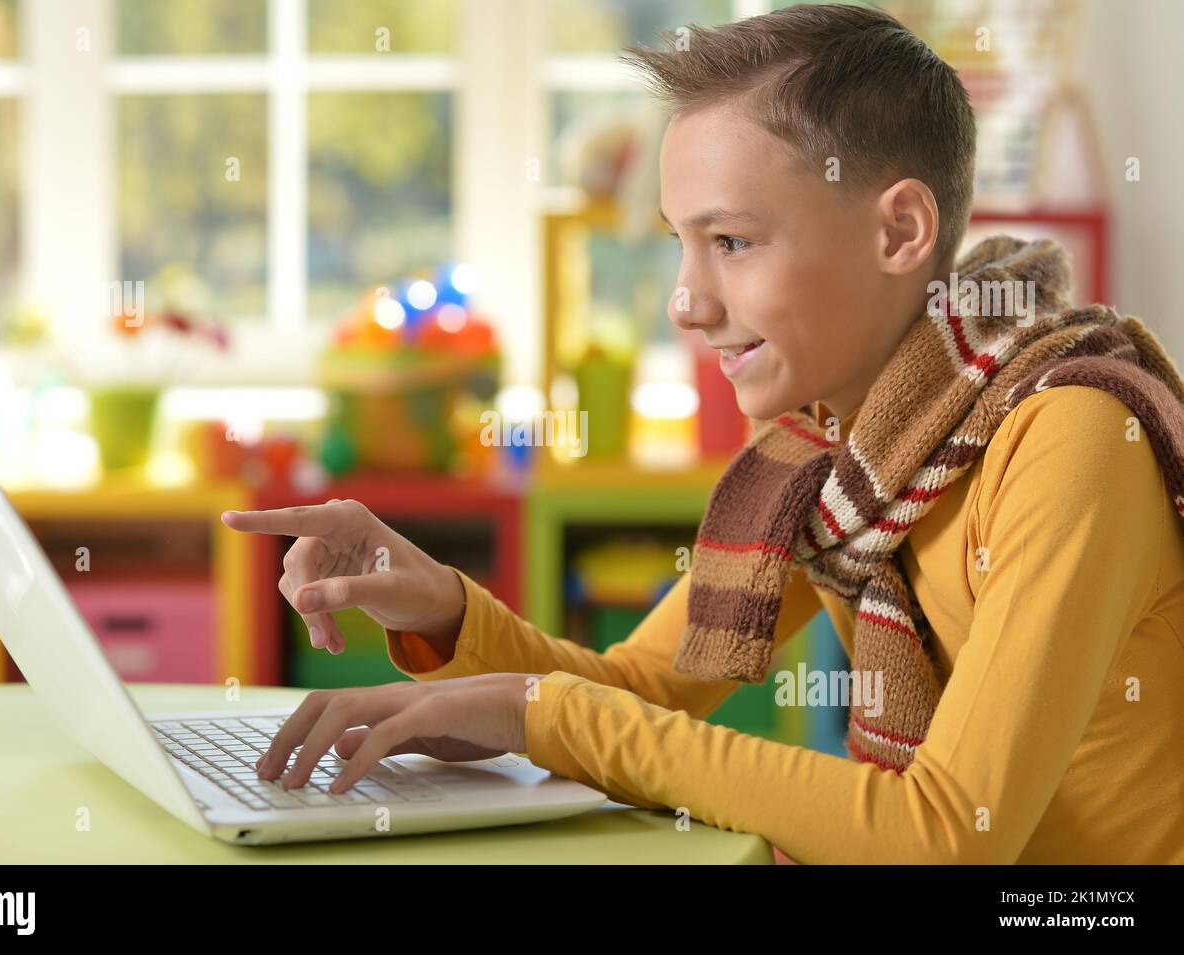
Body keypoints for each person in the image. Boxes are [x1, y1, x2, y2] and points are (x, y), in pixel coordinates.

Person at [223, 4, 1184, 863]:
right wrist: (438, 606)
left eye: (730, 243)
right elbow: (643, 688)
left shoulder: (1073, 439)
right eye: (680, 243)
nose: (685, 301)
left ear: (899, 232)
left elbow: (945, 834)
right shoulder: (844, 448)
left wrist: (545, 714)